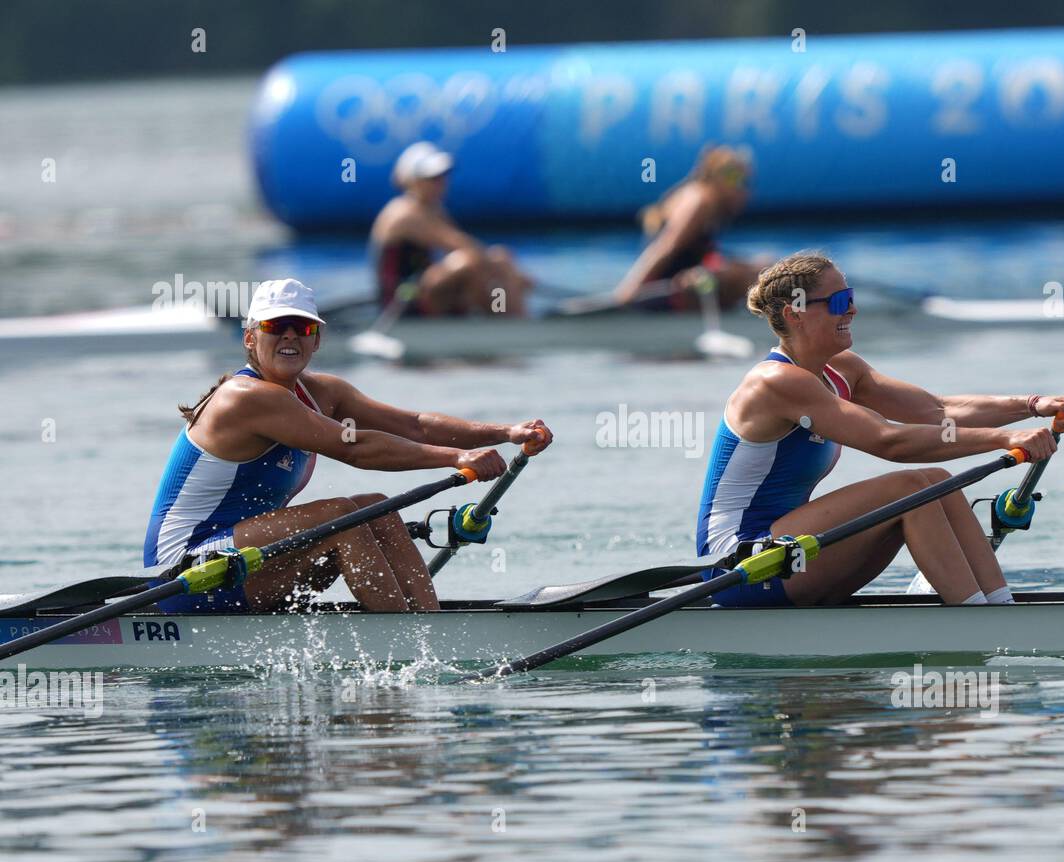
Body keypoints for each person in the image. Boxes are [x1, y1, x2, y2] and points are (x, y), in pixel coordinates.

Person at [143, 278, 552, 613]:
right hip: (184, 571)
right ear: (250, 338)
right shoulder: (244, 396)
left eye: (301, 328)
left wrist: (506, 432)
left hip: (243, 563)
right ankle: (408, 642)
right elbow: (355, 449)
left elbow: (414, 424)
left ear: (316, 340)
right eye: (274, 327)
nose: (289, 336)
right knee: (343, 515)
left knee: (376, 507)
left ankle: (427, 625)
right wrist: (458, 459)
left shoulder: (322, 392)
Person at [695, 251, 1064, 608]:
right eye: (839, 303)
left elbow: (937, 410)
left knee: (937, 482)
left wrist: (1032, 405)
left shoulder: (842, 369)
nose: (854, 309)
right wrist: (1005, 439)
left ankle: (997, 607)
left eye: (850, 297)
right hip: (741, 563)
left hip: (791, 553)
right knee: (913, 488)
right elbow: (889, 440)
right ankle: (977, 623)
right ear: (794, 312)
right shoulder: (774, 382)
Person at [370, 142, 532, 316]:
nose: (440, 183)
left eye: (442, 176)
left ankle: (505, 315)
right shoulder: (403, 214)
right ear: (411, 181)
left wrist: (501, 267)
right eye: (432, 178)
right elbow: (463, 246)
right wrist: (508, 272)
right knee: (470, 262)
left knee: (495, 259)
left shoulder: (435, 209)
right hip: (401, 299)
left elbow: (472, 250)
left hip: (422, 290)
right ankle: (508, 319)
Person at [613, 145, 765, 311]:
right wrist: (627, 292)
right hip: (665, 290)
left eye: (745, 181)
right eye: (734, 178)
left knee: (762, 266)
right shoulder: (699, 201)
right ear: (716, 177)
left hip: (679, 281)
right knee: (741, 278)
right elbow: (664, 247)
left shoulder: (710, 204)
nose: (741, 188)